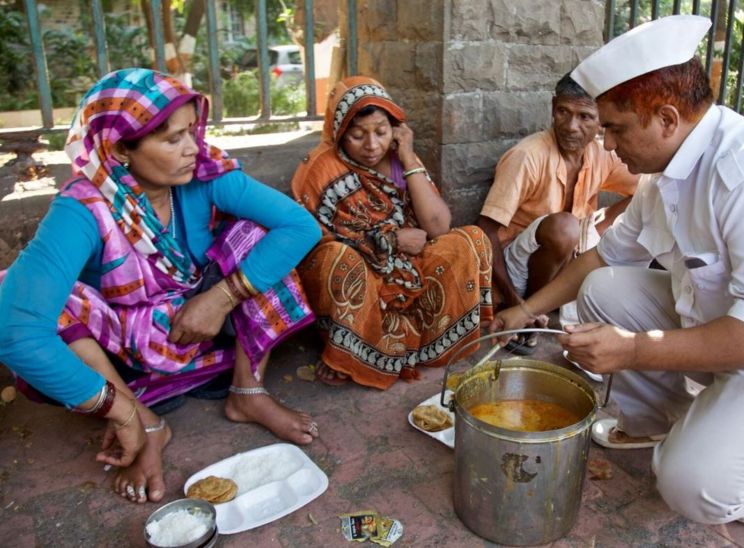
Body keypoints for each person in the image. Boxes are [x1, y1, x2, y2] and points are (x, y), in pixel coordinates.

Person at [491, 14, 744, 527]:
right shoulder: (666, 170)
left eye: (613, 128)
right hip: (731, 333)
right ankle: (663, 423)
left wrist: (630, 349)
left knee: (691, 486)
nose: (605, 144)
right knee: (605, 288)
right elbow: (602, 257)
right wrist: (524, 310)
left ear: (667, 119)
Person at [0, 69, 321, 504]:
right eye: (172, 139)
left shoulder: (205, 173)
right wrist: (126, 413)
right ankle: (146, 417)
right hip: (123, 352)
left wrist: (219, 299)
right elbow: (14, 328)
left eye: (191, 130)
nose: (193, 147)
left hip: (200, 331)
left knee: (256, 237)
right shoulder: (83, 207)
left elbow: (299, 226)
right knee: (37, 303)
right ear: (120, 150)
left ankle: (247, 391)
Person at [290, 76, 493, 390]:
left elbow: (438, 226)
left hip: (409, 266)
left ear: (396, 129)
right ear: (339, 131)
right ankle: (353, 352)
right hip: (362, 274)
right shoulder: (320, 170)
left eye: (381, 133)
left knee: (470, 239)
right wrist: (390, 240)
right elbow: (311, 242)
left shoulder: (401, 157)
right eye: (357, 135)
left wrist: (409, 157)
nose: (372, 146)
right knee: (336, 260)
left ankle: (427, 342)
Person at [476, 73, 638, 353]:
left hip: (565, 263)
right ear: (553, 108)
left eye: (585, 117)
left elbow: (644, 190)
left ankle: (542, 307)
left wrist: (603, 222)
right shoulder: (529, 155)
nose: (572, 126)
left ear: (601, 120)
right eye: (563, 112)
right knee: (566, 228)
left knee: (600, 246)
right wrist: (517, 304)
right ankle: (528, 310)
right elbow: (484, 232)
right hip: (513, 270)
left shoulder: (602, 155)